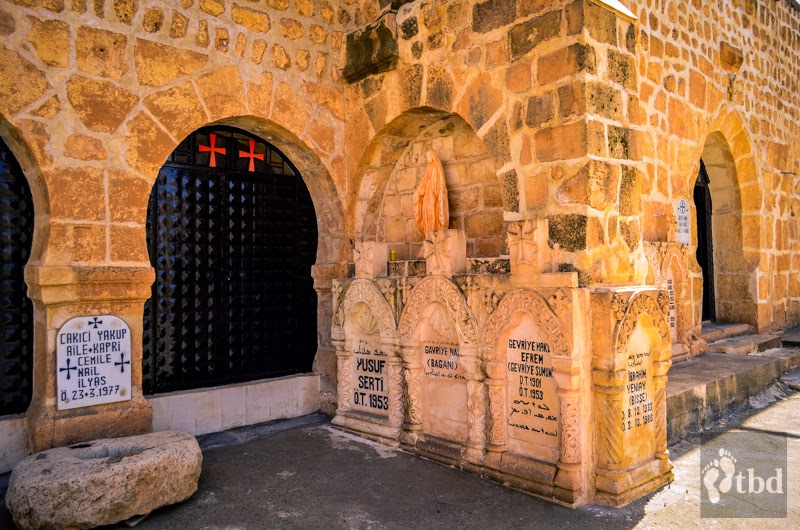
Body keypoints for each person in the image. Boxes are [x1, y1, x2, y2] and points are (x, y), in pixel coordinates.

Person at [413, 150, 449, 234]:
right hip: (427, 193)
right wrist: (419, 191)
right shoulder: (428, 168)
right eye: (427, 157)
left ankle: (434, 230)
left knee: (432, 210)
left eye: (429, 157)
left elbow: (441, 180)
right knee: (426, 211)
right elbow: (423, 181)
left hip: (433, 193)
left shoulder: (437, 167)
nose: (428, 159)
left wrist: (440, 189)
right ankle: (428, 232)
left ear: (433, 157)